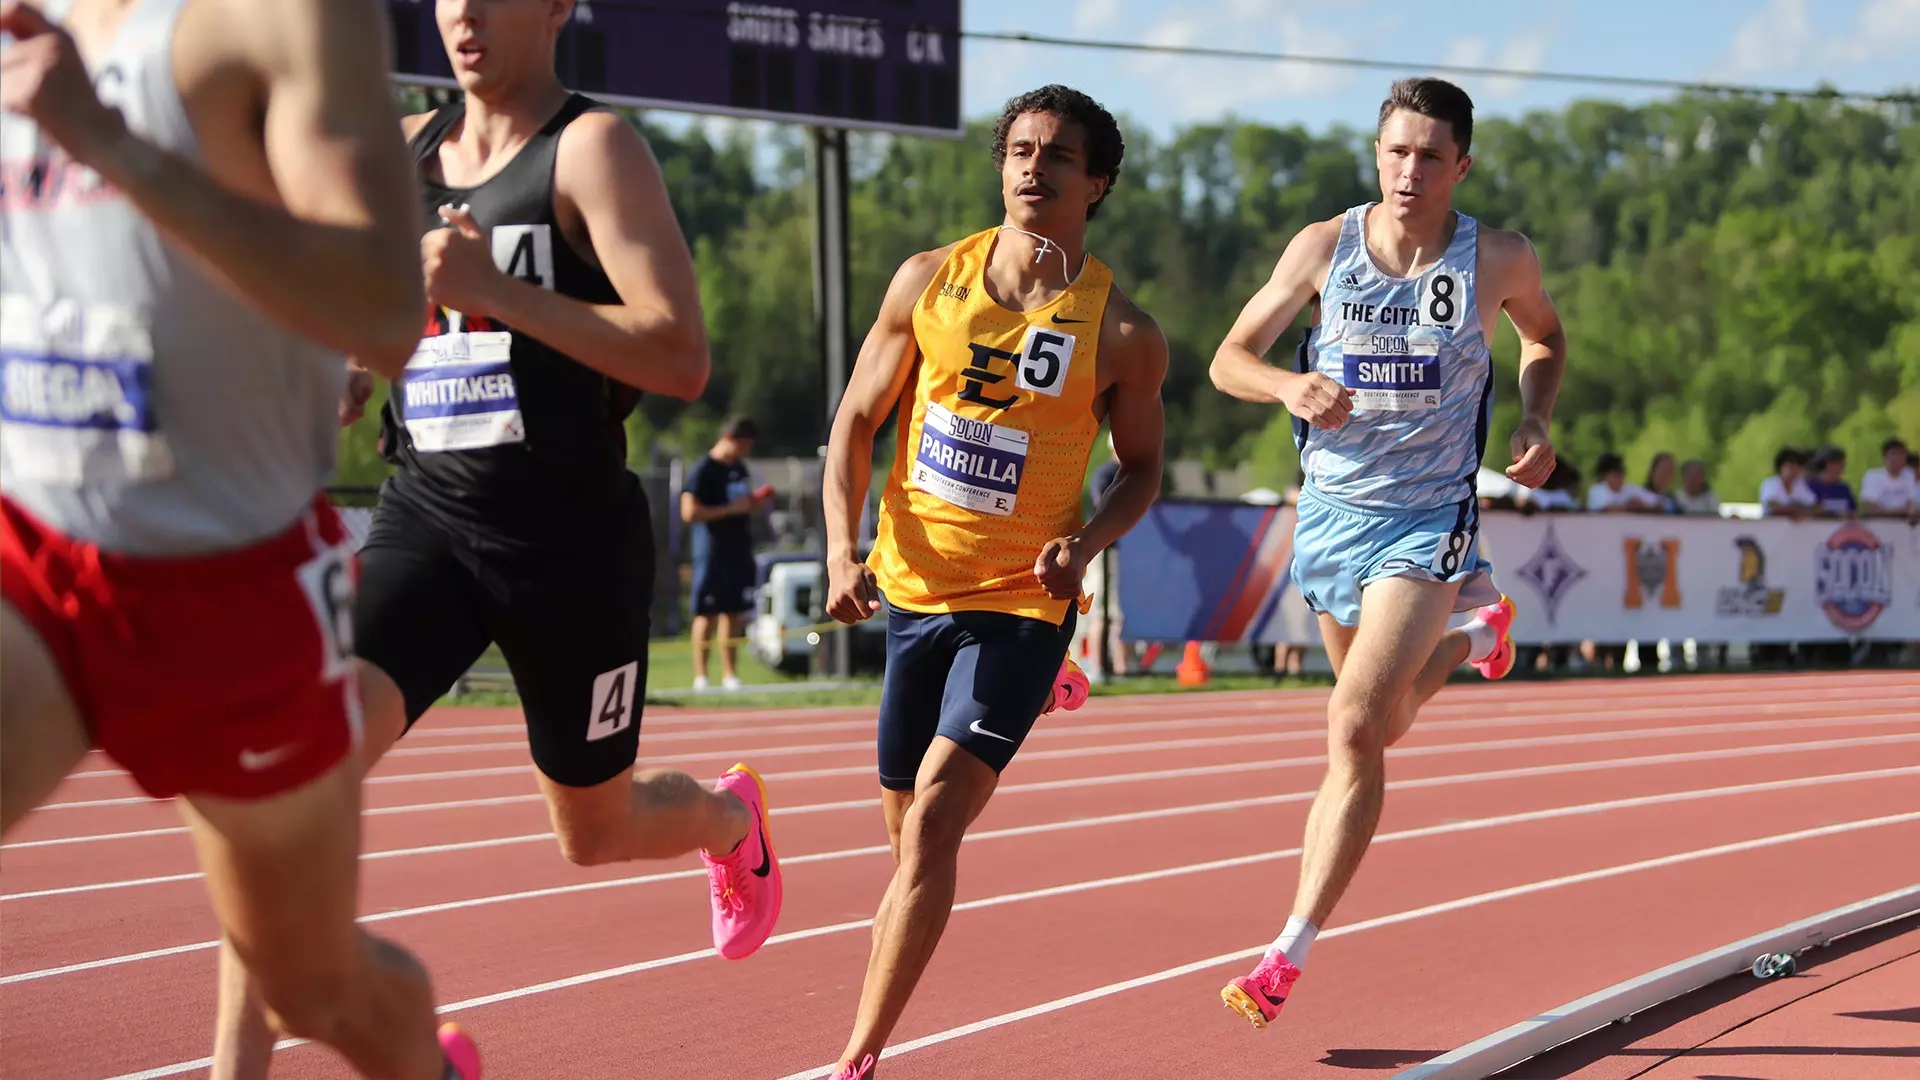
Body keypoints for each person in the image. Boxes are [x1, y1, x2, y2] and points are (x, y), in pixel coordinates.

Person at [208, 2, 782, 1076]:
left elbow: (680, 354)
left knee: (594, 833)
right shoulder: (402, 152)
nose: (462, 10)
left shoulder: (593, 150)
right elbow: (380, 307)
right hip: (428, 521)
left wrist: (497, 293)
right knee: (293, 764)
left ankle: (726, 824)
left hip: (571, 548)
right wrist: (348, 367)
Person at [0, 0, 477, 1077]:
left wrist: (110, 143)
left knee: (315, 990)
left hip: (226, 586)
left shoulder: (288, 16)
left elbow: (381, 310)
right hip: (31, 541)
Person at [817, 84, 1167, 1079]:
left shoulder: (1122, 332)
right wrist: (841, 549)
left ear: (1097, 184)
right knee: (906, 844)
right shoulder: (928, 281)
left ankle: (858, 1058)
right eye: (1020, 150)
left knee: (934, 820)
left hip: (1022, 601)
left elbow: (1142, 469)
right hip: (914, 590)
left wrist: (1085, 544)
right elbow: (856, 422)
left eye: (1059, 156)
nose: (1033, 168)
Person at [1208, 76, 1566, 1029]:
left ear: (1462, 166)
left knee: (1354, 726)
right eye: (1397, 152)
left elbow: (1545, 337)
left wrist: (1535, 417)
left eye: (1431, 157)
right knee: (1382, 721)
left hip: (1428, 517)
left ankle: (1287, 951)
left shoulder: (1497, 256)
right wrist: (1288, 386)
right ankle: (1478, 638)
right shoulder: (1322, 247)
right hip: (1331, 514)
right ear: (1378, 154)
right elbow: (1228, 359)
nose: (1411, 172)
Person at [681, 415, 773, 691]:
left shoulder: (739, 468)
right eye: (744, 444)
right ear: (730, 438)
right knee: (706, 613)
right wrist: (729, 510)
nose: (746, 450)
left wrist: (754, 502)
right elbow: (689, 512)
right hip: (711, 551)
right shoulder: (703, 470)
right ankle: (701, 677)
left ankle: (730, 674)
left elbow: (740, 503)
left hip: (737, 548)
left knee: (732, 612)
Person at [1859, 437, 1917, 521]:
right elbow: (1871, 510)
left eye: (1902, 454)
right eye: (1894, 454)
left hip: (1904, 524)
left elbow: (1911, 504)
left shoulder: (1909, 475)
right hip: (1879, 524)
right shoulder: (1872, 476)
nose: (1899, 458)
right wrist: (1902, 512)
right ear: (1885, 457)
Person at [1585, 452, 1662, 512]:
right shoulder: (1596, 490)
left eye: (1621, 470)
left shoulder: (1633, 489)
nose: (1620, 475)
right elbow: (1604, 509)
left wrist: (1643, 506)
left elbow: (1658, 504)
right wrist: (1630, 507)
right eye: (1615, 472)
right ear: (1605, 475)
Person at [1759, 447, 1817, 518]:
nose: (1793, 470)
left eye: (1797, 467)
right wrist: (1796, 511)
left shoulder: (1800, 485)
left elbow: (1814, 507)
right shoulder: (1770, 484)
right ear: (1781, 466)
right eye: (1790, 466)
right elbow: (1773, 508)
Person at [1804, 446, 1857, 519]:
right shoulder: (1809, 487)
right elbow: (1806, 510)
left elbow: (1853, 511)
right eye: (1837, 463)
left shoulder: (1844, 488)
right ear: (1827, 465)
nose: (1842, 466)